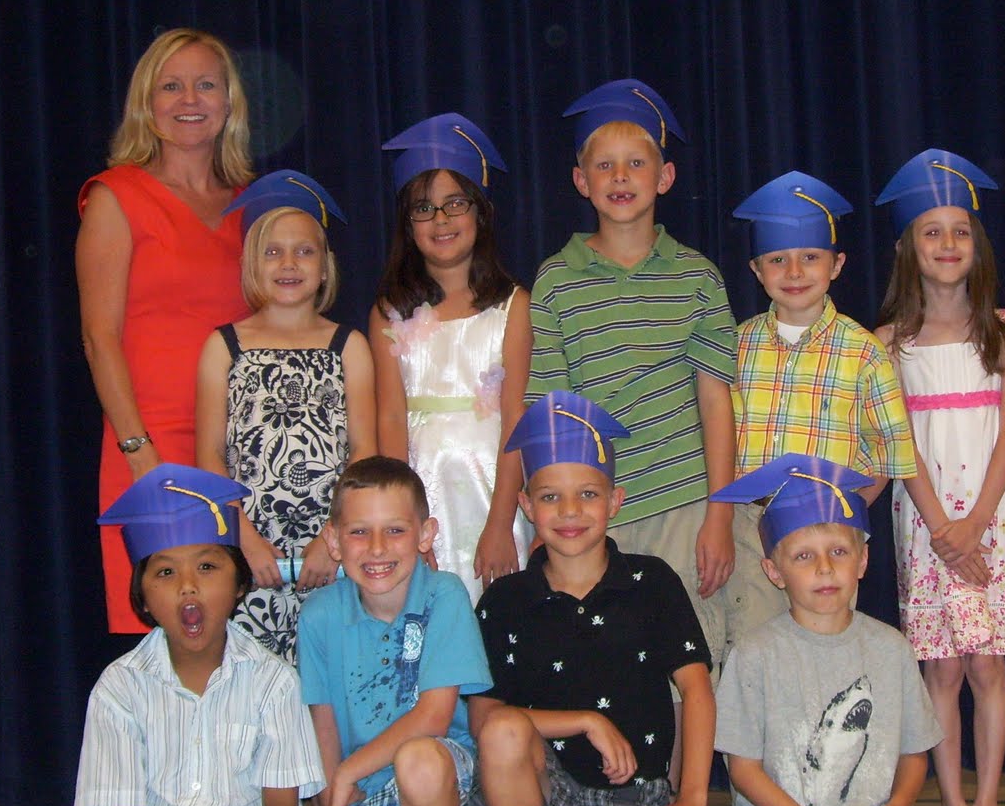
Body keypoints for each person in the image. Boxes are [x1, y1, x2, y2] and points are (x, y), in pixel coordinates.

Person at [702, 454, 1005, 806]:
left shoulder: (890, 648)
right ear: (774, 570)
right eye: (804, 556)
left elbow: (913, 753)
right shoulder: (756, 654)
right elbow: (743, 769)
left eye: (837, 551)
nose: (825, 568)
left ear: (863, 560)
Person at [24, 463, 324, 806]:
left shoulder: (273, 681)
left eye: (207, 567)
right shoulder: (119, 689)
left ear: (238, 585)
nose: (188, 587)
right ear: (142, 594)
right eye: (165, 572)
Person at [470, 391, 716, 806]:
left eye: (587, 495)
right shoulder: (507, 599)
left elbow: (697, 690)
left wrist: (694, 802)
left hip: (630, 793)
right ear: (527, 506)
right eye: (551, 498)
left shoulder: (651, 581)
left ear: (615, 501)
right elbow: (485, 719)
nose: (570, 512)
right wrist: (585, 721)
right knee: (505, 730)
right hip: (542, 786)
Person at [874, 149, 1005, 806]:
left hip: (995, 514)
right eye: (931, 232)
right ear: (907, 249)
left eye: (960, 232)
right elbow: (898, 442)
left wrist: (975, 522)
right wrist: (942, 525)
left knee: (987, 664)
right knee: (941, 667)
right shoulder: (888, 342)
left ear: (976, 246)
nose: (947, 245)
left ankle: (988, 805)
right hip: (925, 517)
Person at [527, 79, 739, 668]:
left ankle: (686, 769)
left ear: (664, 177)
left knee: (690, 667)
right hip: (592, 511)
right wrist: (555, 513)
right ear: (582, 181)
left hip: (684, 502)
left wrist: (718, 514)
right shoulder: (556, 281)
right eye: (605, 165)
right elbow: (550, 410)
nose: (620, 177)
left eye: (636, 163)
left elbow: (716, 403)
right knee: (603, 663)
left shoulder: (698, 278)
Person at [79, 28, 255, 632]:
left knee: (247, 646)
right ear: (146, 104)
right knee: (168, 647)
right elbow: (99, 338)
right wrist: (140, 454)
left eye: (206, 84)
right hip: (150, 450)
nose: (190, 99)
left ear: (229, 102)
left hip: (239, 452)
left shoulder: (252, 205)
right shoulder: (116, 197)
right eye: (171, 85)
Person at [297, 456, 492, 806]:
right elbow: (323, 721)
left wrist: (347, 774)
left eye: (395, 531)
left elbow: (432, 717)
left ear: (426, 535)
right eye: (359, 532)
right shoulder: (318, 616)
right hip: (360, 795)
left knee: (419, 760)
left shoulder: (443, 595)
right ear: (334, 542)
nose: (378, 549)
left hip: (443, 777)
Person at [724, 169, 917, 655]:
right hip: (750, 533)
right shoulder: (735, 347)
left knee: (822, 653)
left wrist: (838, 516)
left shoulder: (865, 352)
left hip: (830, 537)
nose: (794, 273)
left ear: (836, 264)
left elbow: (891, 455)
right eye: (777, 260)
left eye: (810, 257)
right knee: (755, 649)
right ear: (756, 269)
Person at [195, 169, 376, 664]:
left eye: (304, 250)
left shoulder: (349, 346)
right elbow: (209, 455)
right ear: (252, 263)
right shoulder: (223, 347)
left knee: (331, 684)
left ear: (325, 265)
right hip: (254, 555)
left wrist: (332, 538)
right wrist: (243, 540)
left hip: (331, 553)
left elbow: (363, 452)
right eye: (273, 251)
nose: (289, 263)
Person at [369, 112, 532, 608]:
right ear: (407, 223)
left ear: (479, 213)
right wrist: (401, 525)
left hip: (491, 489)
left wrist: (502, 521)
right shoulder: (387, 313)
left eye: (454, 204)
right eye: (424, 209)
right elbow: (391, 418)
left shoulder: (512, 306)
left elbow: (515, 417)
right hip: (423, 491)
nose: (441, 220)